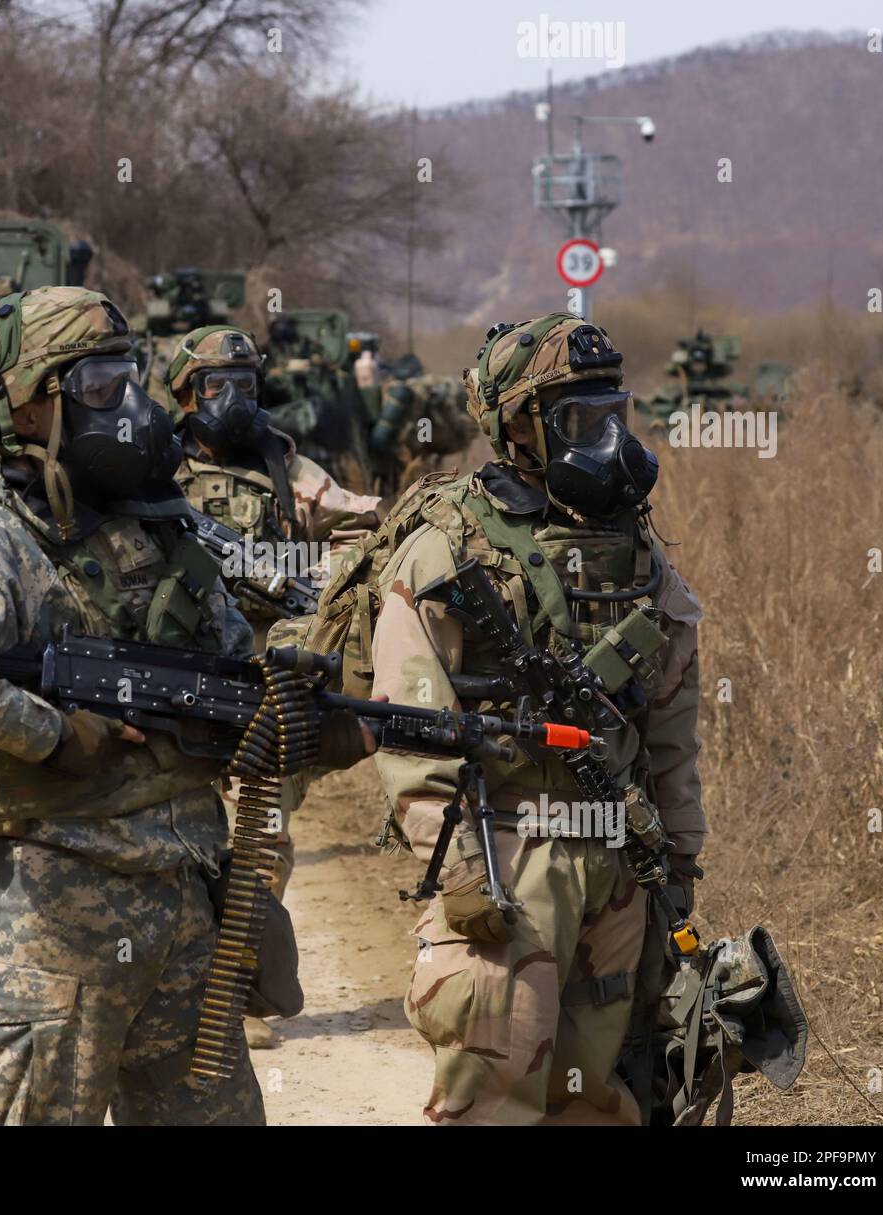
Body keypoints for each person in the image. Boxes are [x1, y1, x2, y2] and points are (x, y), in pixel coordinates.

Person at [0, 286, 284, 1125]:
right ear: (24, 405)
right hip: (54, 922)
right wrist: (54, 735)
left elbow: (237, 663)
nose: (127, 405)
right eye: (97, 386)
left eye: (127, 378)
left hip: (184, 902)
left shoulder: (156, 526)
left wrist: (292, 717)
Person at [369, 314, 705, 1125]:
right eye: (577, 419)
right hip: (504, 854)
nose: (607, 438)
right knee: (493, 1102)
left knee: (603, 1103)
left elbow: (671, 737)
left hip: (619, 866)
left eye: (611, 413)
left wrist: (679, 876)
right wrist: (460, 876)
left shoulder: (640, 557)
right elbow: (410, 731)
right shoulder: (451, 549)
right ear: (517, 427)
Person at [167, 323, 382, 1047]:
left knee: (265, 834)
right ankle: (173, 985)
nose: (233, 401)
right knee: (179, 830)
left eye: (247, 386)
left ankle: (237, 995)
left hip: (271, 677)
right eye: (215, 387)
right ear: (184, 395)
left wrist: (344, 571)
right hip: (181, 673)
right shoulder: (153, 470)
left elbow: (360, 517)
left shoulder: (285, 468)